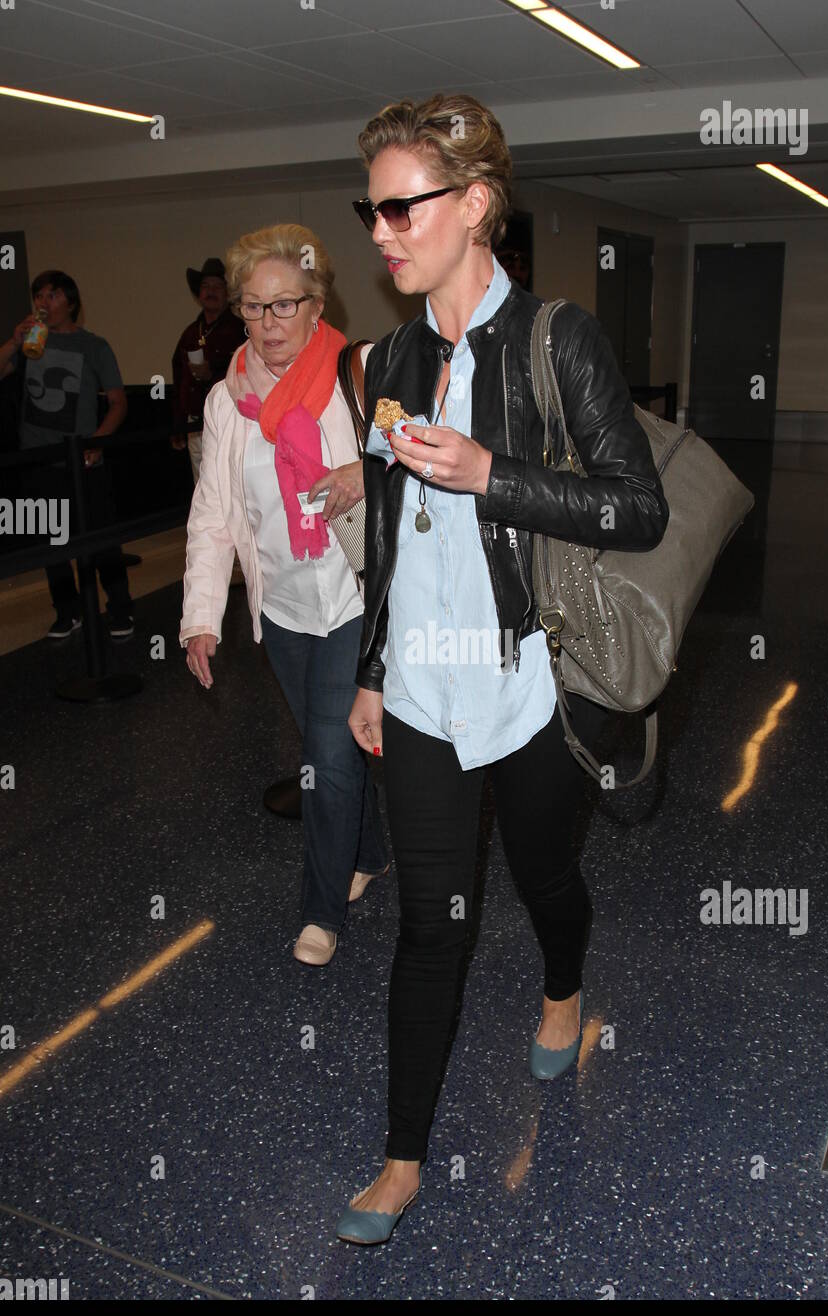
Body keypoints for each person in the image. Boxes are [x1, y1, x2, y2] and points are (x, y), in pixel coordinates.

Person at [337, 95, 669, 1245]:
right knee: (433, 925)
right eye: (369, 210)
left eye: (400, 206)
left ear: (474, 205)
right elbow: (386, 538)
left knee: (543, 881)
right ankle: (401, 1157)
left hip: (531, 685)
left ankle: (566, 982)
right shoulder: (374, 360)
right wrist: (374, 669)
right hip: (421, 694)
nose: (380, 232)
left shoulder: (556, 338)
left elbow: (637, 509)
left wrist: (494, 472)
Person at [180, 223, 389, 966]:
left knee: (327, 758)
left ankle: (321, 912)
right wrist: (201, 619)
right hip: (280, 606)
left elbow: (420, 449)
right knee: (340, 749)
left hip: (350, 599)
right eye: (254, 308)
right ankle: (373, 848)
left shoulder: (362, 375)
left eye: (285, 306)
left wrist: (368, 471)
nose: (269, 325)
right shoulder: (224, 403)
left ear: (317, 302)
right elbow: (212, 516)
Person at [0, 270, 133, 639]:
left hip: (85, 461)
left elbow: (118, 403)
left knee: (101, 539)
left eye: (53, 295)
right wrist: (13, 342)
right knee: (51, 540)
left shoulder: (94, 346)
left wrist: (97, 440)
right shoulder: (29, 345)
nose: (44, 303)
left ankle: (121, 609)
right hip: (40, 461)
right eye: (39, 296)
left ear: (70, 302)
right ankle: (67, 611)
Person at [170, 257, 246, 483]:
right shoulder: (190, 333)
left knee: (232, 484)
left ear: (227, 293)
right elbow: (178, 378)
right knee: (202, 486)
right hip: (196, 425)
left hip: (231, 423)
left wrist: (211, 374)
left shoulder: (240, 331)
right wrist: (178, 424)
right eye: (205, 287)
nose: (210, 292)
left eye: (217, 287)